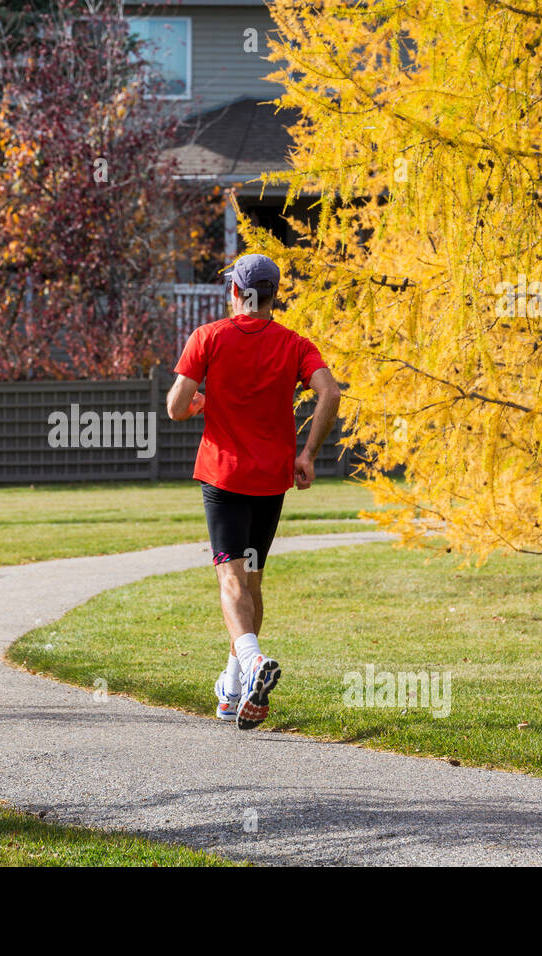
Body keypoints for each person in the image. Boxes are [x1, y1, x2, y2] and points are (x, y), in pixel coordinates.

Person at [166, 253, 341, 730]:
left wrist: (199, 402)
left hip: (224, 478)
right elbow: (330, 392)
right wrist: (307, 455)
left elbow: (175, 406)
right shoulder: (295, 344)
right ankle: (233, 688)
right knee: (253, 579)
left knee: (230, 579)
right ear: (273, 296)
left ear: (236, 293)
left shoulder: (208, 337)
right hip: (271, 481)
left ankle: (252, 660)